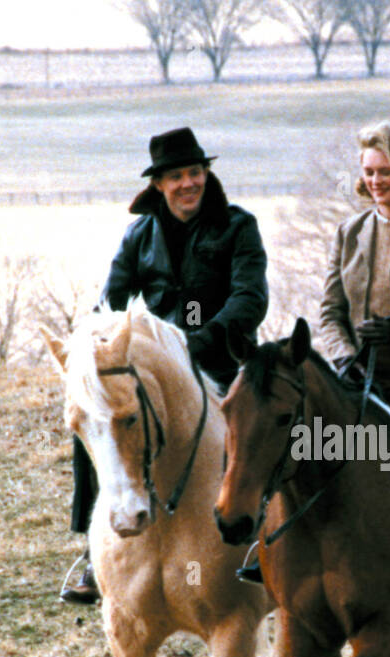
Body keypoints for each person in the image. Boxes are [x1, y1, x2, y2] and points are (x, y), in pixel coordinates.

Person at [238, 121, 390, 595]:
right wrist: (343, 355)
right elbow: (330, 312)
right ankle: (270, 544)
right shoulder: (348, 232)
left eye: (386, 171)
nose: (376, 181)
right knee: (302, 436)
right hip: (353, 374)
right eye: (370, 172)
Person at [61, 127, 269, 604]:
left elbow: (249, 299)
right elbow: (110, 301)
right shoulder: (138, 235)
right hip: (153, 372)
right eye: (176, 176)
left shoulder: (238, 226)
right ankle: (88, 553)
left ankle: (262, 542)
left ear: (206, 174)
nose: (187, 183)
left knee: (256, 428)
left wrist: (199, 340)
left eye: (195, 172)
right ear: (158, 184)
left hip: (220, 361)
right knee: (94, 417)